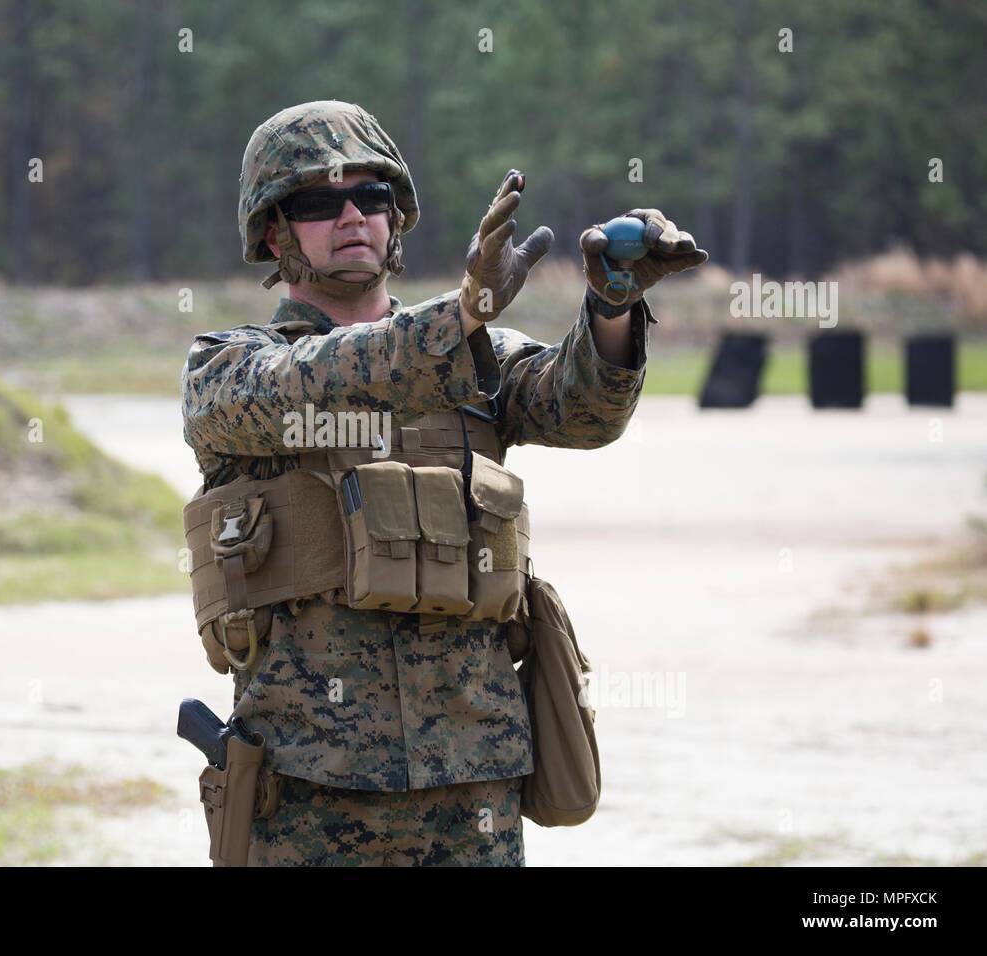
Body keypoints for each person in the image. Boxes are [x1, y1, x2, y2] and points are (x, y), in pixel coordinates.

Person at [180, 100, 706, 866]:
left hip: (473, 776)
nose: (353, 216)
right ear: (273, 231)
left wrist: (612, 308)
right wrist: (458, 316)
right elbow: (319, 381)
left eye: (374, 198)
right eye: (320, 202)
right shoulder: (229, 368)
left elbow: (582, 410)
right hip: (308, 785)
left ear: (398, 221)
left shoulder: (478, 352)